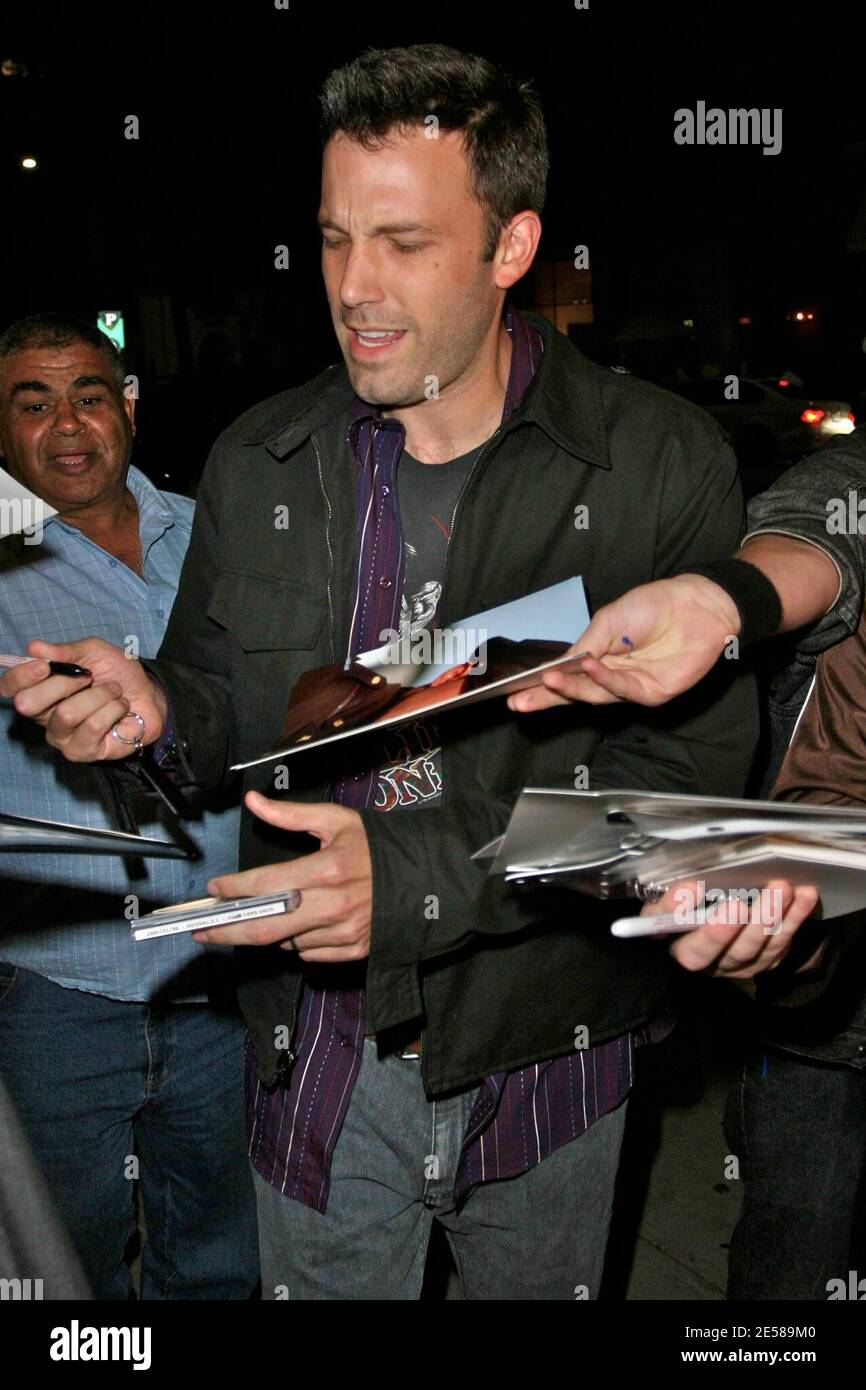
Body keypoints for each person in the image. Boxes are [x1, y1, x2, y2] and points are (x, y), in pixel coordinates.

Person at [0, 47, 810, 1302]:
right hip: (316, 1058)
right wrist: (155, 708)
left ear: (509, 245)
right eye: (330, 240)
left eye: (402, 242)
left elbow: (675, 800)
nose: (353, 291)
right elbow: (224, 705)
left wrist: (415, 880)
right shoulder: (258, 462)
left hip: (548, 1061)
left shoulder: (654, 462)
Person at [510, 432, 866, 1298]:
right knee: (795, 1264)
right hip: (831, 1020)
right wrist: (723, 598)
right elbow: (814, 537)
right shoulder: (850, 485)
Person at [0, 314, 259, 1300]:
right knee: (63, 1278)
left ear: (130, 408)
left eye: (90, 395)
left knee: (223, 1262)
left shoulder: (217, 532)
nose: (67, 424)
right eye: (32, 403)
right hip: (54, 996)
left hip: (225, 982)